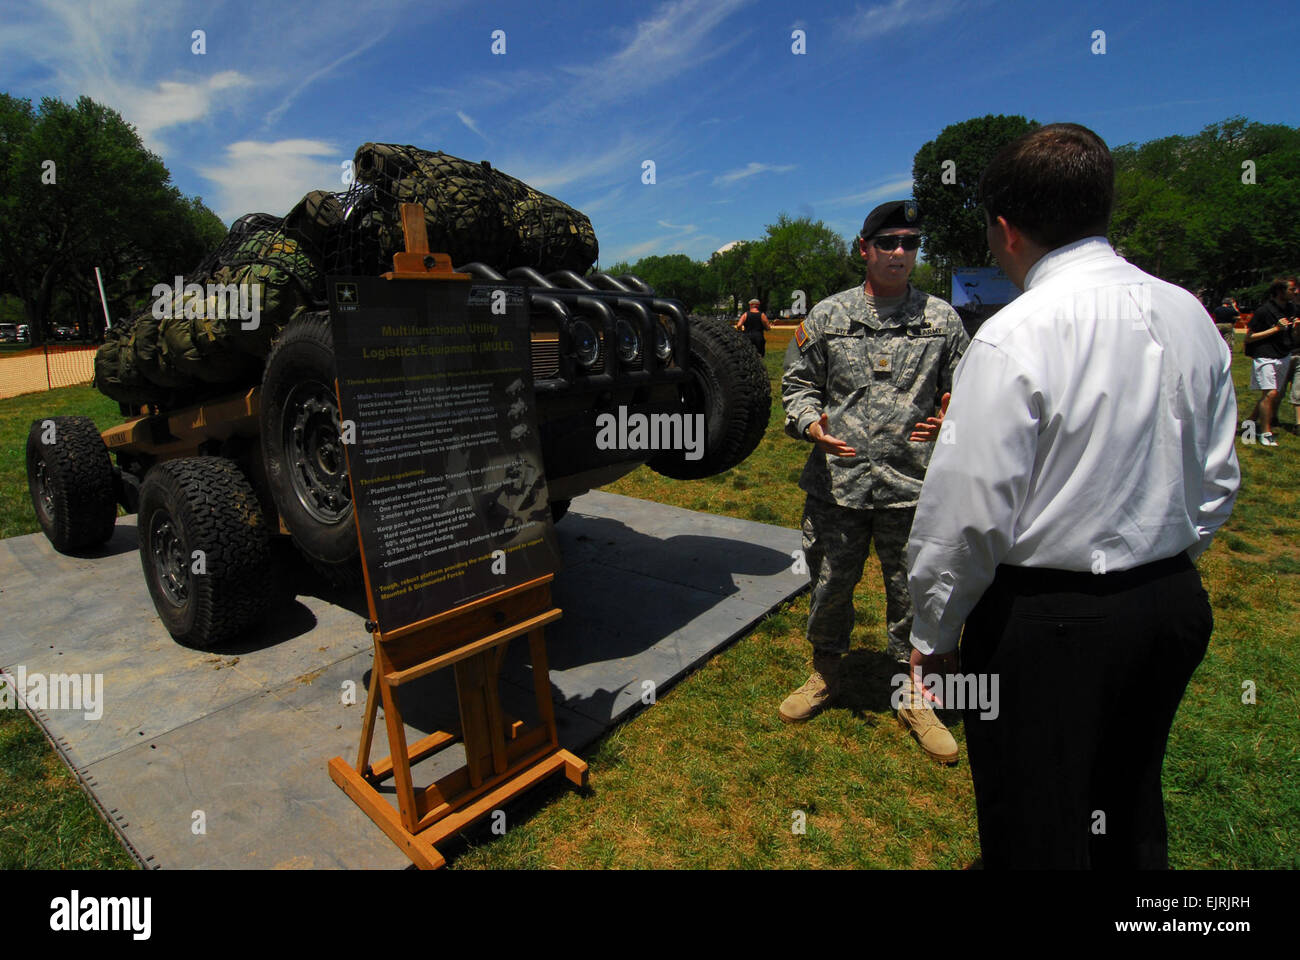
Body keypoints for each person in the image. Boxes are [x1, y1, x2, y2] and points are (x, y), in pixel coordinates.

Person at [905, 123, 1240, 868]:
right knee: (1127, 801)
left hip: (1045, 625)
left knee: (1034, 823)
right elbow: (1218, 480)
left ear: (1004, 229)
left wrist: (934, 635)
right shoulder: (1191, 314)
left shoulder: (1011, 335)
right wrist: (1159, 557)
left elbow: (964, 519)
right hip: (1171, 603)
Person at [780, 199, 969, 764]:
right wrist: (811, 423)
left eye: (909, 243)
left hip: (914, 485)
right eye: (887, 243)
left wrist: (956, 407)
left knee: (913, 591)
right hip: (839, 483)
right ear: (863, 249)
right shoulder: (828, 317)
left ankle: (914, 694)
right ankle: (825, 675)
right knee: (830, 584)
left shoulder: (942, 320)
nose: (899, 253)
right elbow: (797, 384)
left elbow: (969, 385)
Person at [1243, 280, 1294, 446]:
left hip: (1283, 355)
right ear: (1279, 291)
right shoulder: (1263, 311)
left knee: (1270, 395)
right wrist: (1276, 329)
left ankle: (1249, 423)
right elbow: (1249, 337)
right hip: (1265, 355)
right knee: (1270, 394)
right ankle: (1266, 432)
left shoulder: (1291, 309)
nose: (1296, 292)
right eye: (1292, 289)